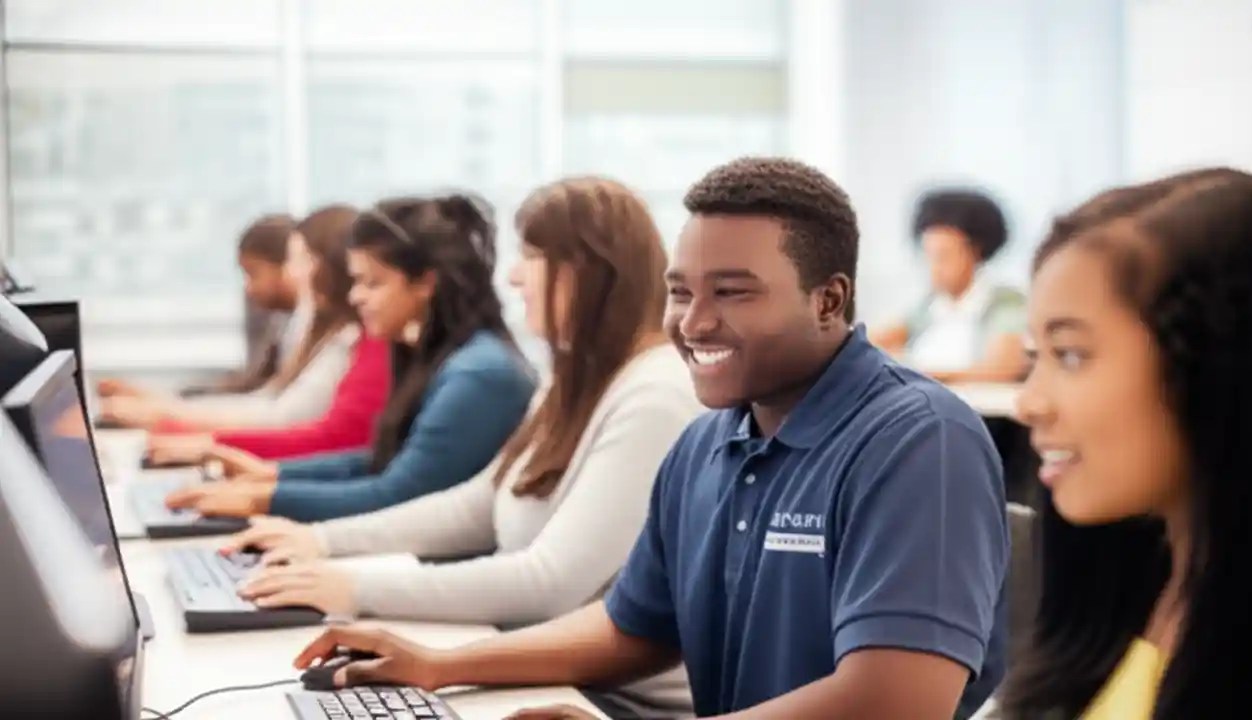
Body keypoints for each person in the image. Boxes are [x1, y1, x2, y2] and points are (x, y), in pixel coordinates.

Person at [288, 158, 1010, 720]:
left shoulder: (919, 441)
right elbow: (633, 627)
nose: (693, 323)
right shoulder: (708, 444)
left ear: (829, 300)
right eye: (680, 290)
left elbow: (896, 703)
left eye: (732, 291)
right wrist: (444, 665)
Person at [220, 177, 703, 716]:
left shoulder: (655, 396)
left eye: (533, 256)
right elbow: (477, 504)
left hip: (606, 704)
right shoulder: (577, 375)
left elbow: (550, 582)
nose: (516, 276)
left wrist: (352, 586)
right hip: (533, 670)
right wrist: (321, 543)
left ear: (585, 271)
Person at [999, 168, 1252, 719]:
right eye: (1036, 357)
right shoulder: (1118, 600)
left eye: (1071, 355)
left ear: (1218, 364)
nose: (1029, 403)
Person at [165, 194, 536, 523]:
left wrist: (265, 497)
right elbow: (381, 460)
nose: (356, 297)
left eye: (372, 283)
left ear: (425, 283)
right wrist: (271, 475)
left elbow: (396, 494)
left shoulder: (479, 375)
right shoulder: (435, 356)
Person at [145, 205, 391, 462]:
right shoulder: (331, 332)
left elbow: (299, 424)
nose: (291, 273)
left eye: (299, 260)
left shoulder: (355, 339)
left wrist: (195, 435)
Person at [99, 207, 372, 430]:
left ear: (323, 265)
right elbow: (268, 400)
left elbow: (280, 418)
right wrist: (165, 407)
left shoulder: (347, 340)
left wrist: (168, 417)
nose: (291, 273)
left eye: (297, 260)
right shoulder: (319, 332)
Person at [98, 213, 300, 400]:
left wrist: (159, 408)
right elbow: (252, 384)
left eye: (253, 273)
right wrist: (156, 398)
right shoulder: (275, 319)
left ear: (289, 266)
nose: (248, 289)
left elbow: (271, 407)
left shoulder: (308, 333)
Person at [872, 189, 1027, 383]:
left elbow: (1002, 368)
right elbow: (875, 340)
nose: (934, 268)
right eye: (929, 256)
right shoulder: (931, 305)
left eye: (944, 256)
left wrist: (920, 374)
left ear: (975, 252)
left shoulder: (1006, 303)